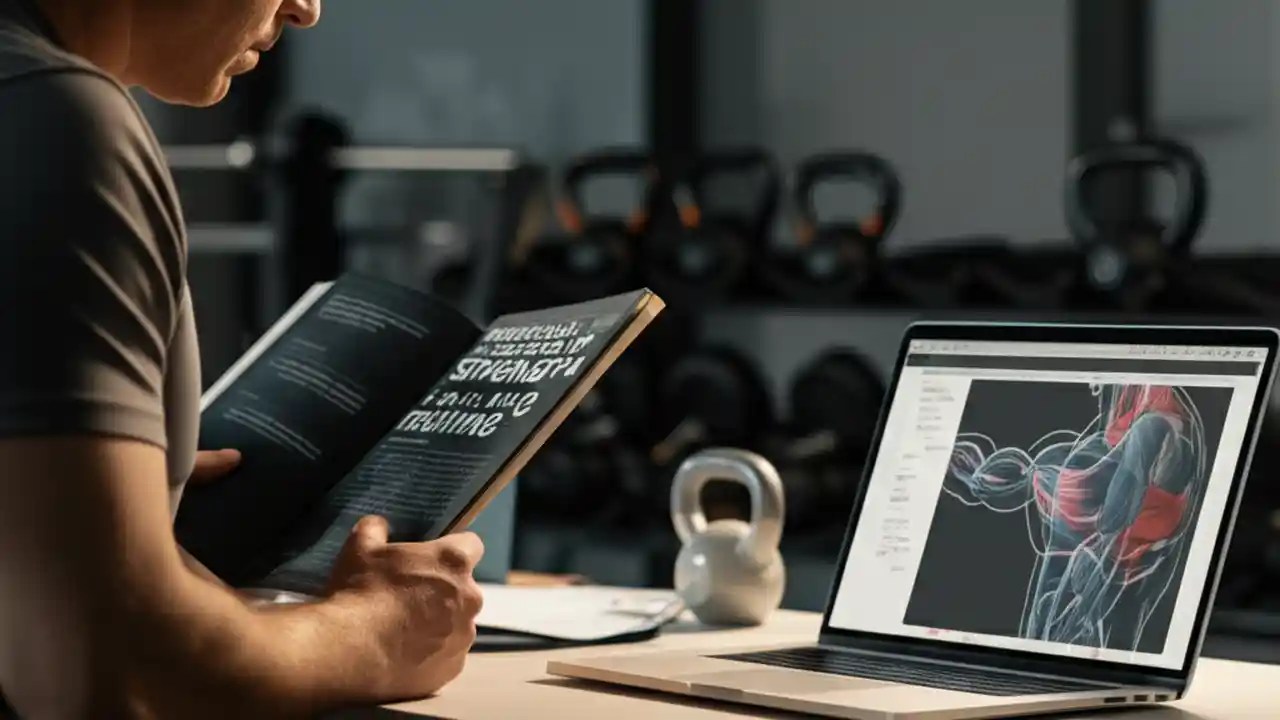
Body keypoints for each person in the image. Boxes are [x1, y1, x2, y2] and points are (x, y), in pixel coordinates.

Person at [0, 1, 485, 718]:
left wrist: (99, 487)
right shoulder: (55, 117)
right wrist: (375, 633)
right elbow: (114, 671)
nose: (306, 9)